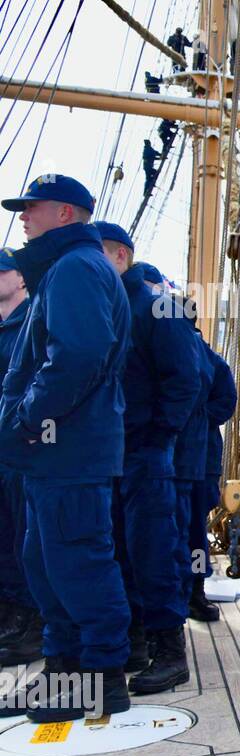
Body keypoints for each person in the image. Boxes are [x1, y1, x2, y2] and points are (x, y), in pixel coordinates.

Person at [0, 175, 132, 721]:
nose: (23, 217)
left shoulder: (77, 268)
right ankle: (64, 667)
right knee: (45, 557)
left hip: (71, 448)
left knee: (78, 559)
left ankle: (102, 677)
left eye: (32, 209)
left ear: (65, 215)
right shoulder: (63, 267)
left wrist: (32, 415)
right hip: (55, 455)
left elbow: (79, 353)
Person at [97, 225, 202, 680]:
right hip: (108, 453)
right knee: (117, 548)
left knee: (153, 550)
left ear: (120, 256)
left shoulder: (157, 309)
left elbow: (185, 379)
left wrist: (160, 436)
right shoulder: (105, 309)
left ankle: (170, 651)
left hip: (146, 452)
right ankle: (135, 644)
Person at [129, 298, 211, 696]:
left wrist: (168, 432)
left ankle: (188, 603)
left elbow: (218, 397)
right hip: (143, 457)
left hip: (176, 460)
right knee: (139, 549)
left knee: (175, 543)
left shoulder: (202, 354)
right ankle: (136, 636)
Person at [0, 248, 42, 669]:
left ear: (19, 279)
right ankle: (10, 614)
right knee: (5, 538)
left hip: (22, 451)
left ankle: (30, 621)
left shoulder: (32, 321)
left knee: (25, 541)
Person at [189, 319, 236, 622]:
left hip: (201, 460)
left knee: (194, 531)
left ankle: (195, 591)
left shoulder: (213, 364)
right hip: (175, 461)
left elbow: (226, 403)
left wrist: (192, 417)